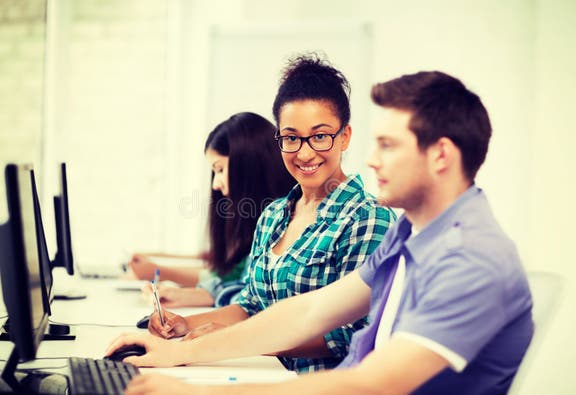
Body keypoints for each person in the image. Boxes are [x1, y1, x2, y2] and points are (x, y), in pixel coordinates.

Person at [107, 70, 534, 395]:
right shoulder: (412, 231)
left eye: (387, 145)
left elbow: (372, 384)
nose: (371, 160)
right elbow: (309, 312)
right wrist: (178, 353)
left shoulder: (471, 258)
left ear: (440, 155)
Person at [143, 54, 395, 373]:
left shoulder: (369, 219)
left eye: (319, 136)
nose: (304, 152)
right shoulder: (274, 215)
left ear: (344, 136)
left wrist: (235, 341)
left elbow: (353, 335)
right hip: (266, 373)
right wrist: (184, 325)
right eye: (291, 137)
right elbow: (251, 306)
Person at [132, 112, 296, 307]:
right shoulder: (257, 219)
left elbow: (249, 295)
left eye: (220, 169)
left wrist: (161, 272)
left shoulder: (285, 220)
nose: (215, 184)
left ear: (248, 167)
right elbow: (234, 281)